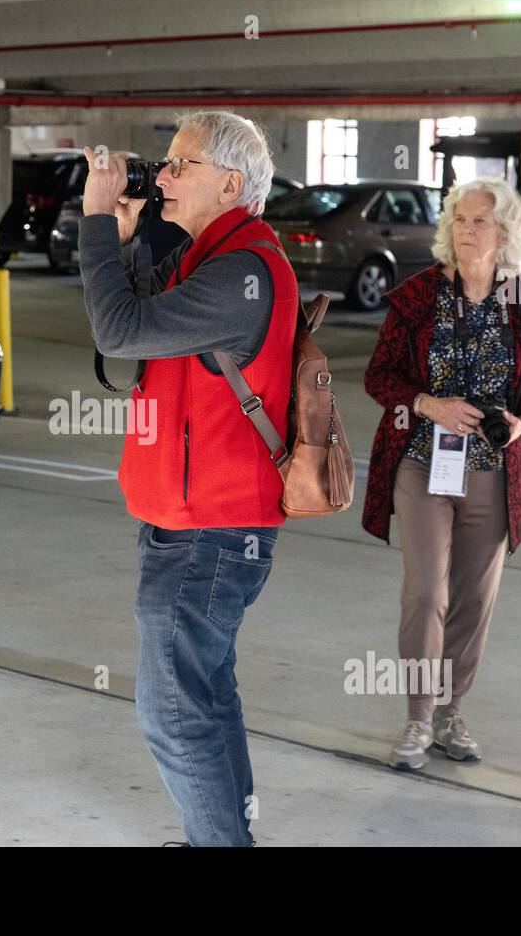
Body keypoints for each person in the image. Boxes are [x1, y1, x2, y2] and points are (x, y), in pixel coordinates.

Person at [78, 110, 299, 846]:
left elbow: (119, 330)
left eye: (180, 165)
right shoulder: (213, 258)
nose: (163, 175)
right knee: (205, 697)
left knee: (173, 713)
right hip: (192, 524)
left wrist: (89, 225)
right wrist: (126, 233)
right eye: (165, 163)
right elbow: (144, 310)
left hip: (211, 529)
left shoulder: (241, 273)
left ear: (231, 183)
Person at [362, 177, 521, 771]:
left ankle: (451, 713)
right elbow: (379, 376)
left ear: (505, 235)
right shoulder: (417, 297)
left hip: (494, 472)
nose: (467, 230)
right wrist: (427, 404)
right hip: (422, 464)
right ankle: (418, 718)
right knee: (427, 592)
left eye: (480, 222)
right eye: (461, 219)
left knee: (474, 598)